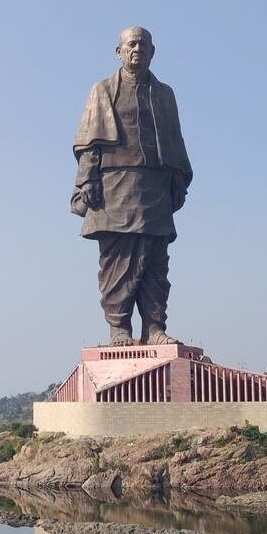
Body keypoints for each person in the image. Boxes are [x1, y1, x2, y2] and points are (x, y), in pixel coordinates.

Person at [71, 26, 193, 346]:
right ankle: (119, 327)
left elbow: (175, 140)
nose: (138, 48)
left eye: (144, 44)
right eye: (131, 43)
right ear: (119, 51)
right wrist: (87, 179)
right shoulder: (102, 90)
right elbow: (88, 144)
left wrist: (178, 178)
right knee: (117, 260)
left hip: (154, 187)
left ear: (153, 52)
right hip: (115, 187)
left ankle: (154, 328)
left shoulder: (164, 94)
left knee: (155, 260)